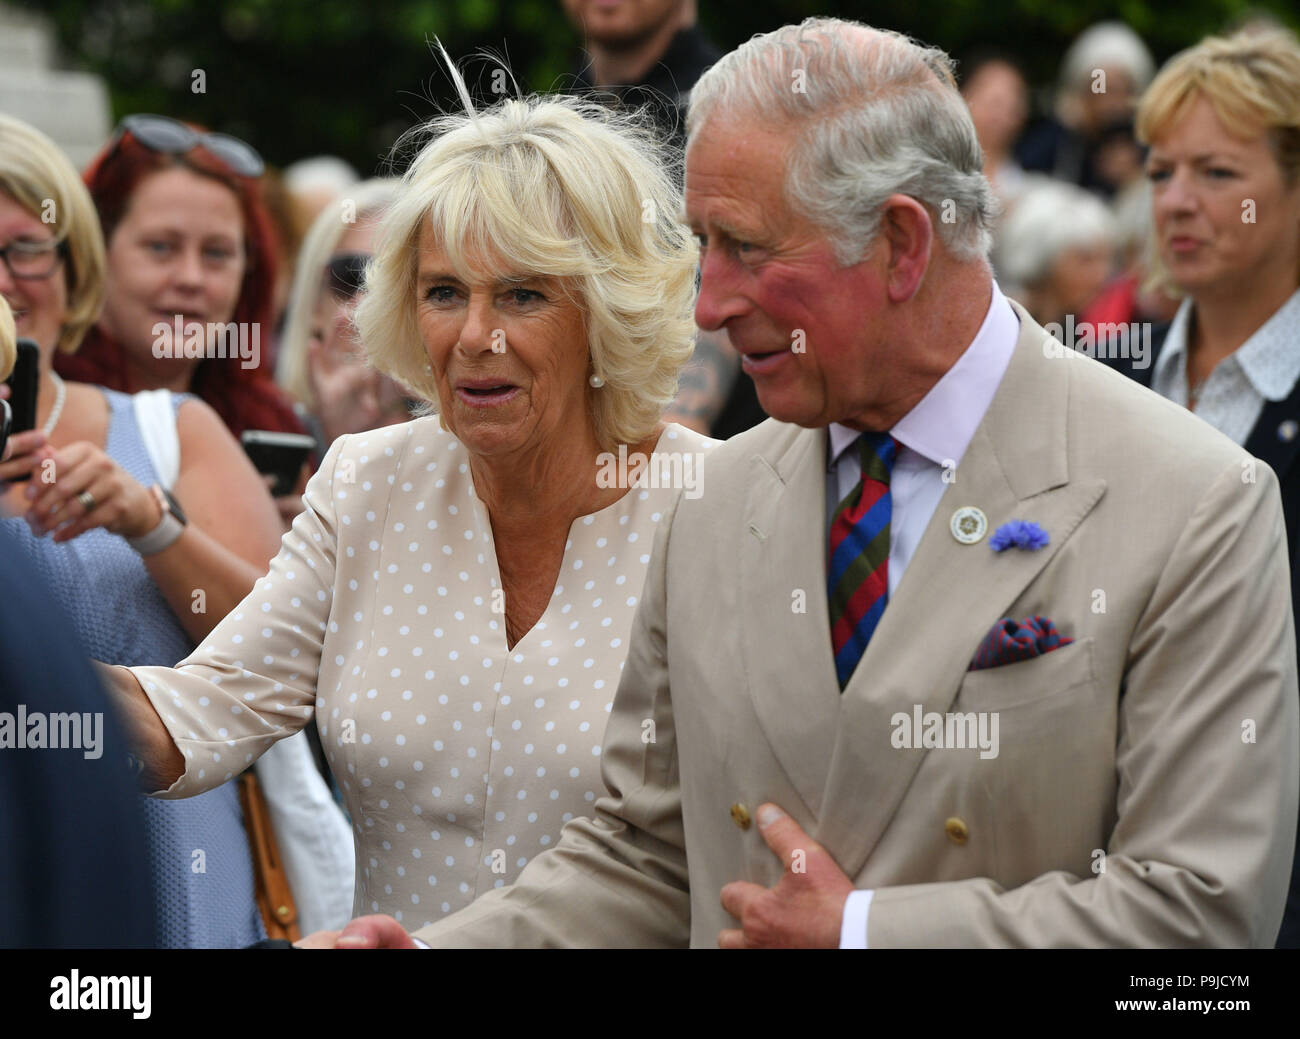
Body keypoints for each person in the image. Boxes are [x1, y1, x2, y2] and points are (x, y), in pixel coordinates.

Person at [327, 17, 1292, 949]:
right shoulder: (710, 496)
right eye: (702, 244)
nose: (709, 302)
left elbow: (1203, 931)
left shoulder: (1195, 502)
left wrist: (868, 935)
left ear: (904, 244)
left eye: (746, 247)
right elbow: (648, 856)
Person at [96, 82, 714, 933]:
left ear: (610, 310)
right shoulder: (368, 483)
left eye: (523, 295)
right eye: (445, 292)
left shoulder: (716, 507)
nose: (473, 337)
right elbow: (201, 709)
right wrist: (33, 685)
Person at [0, 113, 351, 945]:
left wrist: (149, 521)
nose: (5, 279)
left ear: (72, 265)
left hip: (172, 865)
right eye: (161, 248)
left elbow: (286, 661)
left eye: (26, 249)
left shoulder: (172, 426)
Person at [1099, 27, 1300, 948]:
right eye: (1159, 172)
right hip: (1104, 862)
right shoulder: (1107, 375)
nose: (1176, 203)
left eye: (1218, 175)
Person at [275, 178, 409, 475]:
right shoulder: (262, 430)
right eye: (351, 276)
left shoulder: (472, 442)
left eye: (398, 280)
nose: (369, 303)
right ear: (314, 304)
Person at [1017, 21, 1154, 198]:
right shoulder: (1060, 139)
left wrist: (1134, 180)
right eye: (1100, 91)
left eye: (1118, 91)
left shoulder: (1148, 143)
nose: (1109, 103)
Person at [993, 177, 1118, 326]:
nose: (1102, 275)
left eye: (1105, 259)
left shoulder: (1085, 332)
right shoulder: (1001, 324)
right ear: (1042, 259)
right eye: (1086, 260)